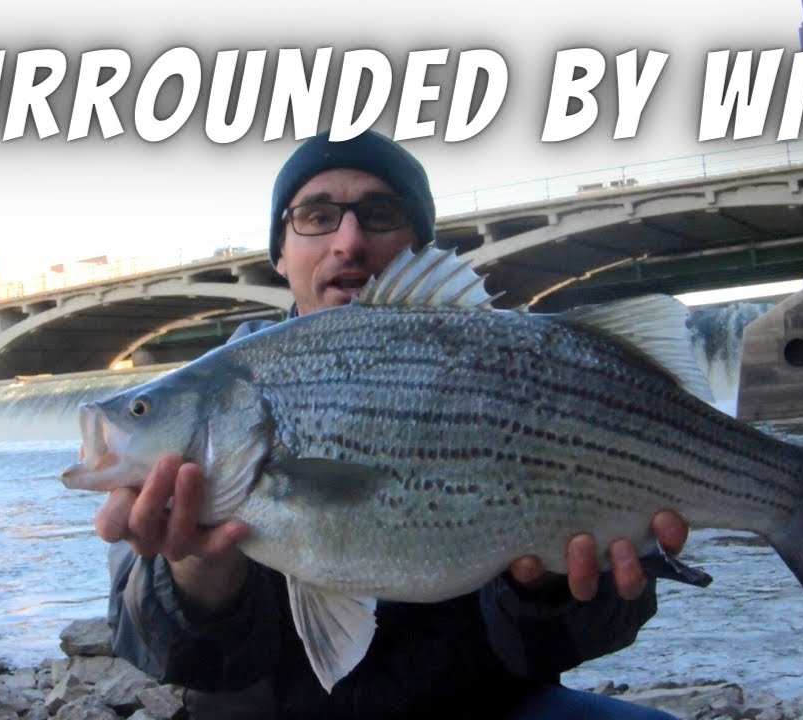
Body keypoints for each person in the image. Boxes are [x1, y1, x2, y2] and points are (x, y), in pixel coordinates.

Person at [97, 129, 691, 719]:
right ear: (279, 252)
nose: (348, 242)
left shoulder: (513, 369)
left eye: (379, 214)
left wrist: (548, 589)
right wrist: (199, 571)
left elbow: (585, 636)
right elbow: (152, 648)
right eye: (316, 215)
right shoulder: (210, 402)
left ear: (421, 247)